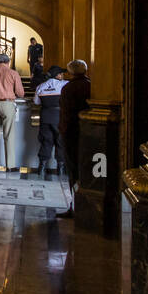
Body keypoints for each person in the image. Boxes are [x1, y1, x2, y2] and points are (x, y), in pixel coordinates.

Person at [56, 59, 91, 219]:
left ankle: (75, 206)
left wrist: (62, 129)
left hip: (71, 133)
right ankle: (89, 206)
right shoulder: (90, 84)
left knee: (73, 169)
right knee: (92, 169)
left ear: (70, 72)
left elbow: (66, 112)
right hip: (90, 132)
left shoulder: (68, 88)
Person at [32, 65, 65, 181]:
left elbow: (36, 102)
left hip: (45, 116)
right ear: (58, 75)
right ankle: (60, 168)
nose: (63, 75)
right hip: (59, 117)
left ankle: (42, 166)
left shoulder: (41, 86)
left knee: (46, 141)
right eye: (61, 73)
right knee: (60, 142)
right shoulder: (63, 85)